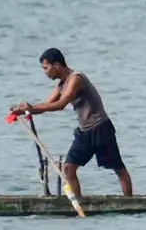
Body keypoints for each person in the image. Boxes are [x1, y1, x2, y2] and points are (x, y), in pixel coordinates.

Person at [14, 47, 135, 197]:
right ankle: (78, 205)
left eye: (46, 68)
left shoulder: (76, 79)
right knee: (68, 168)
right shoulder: (61, 85)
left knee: (118, 168)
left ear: (57, 65)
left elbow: (60, 104)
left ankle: (128, 201)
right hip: (84, 131)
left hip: (100, 128)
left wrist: (32, 108)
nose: (45, 72)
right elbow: (47, 105)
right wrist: (26, 110)